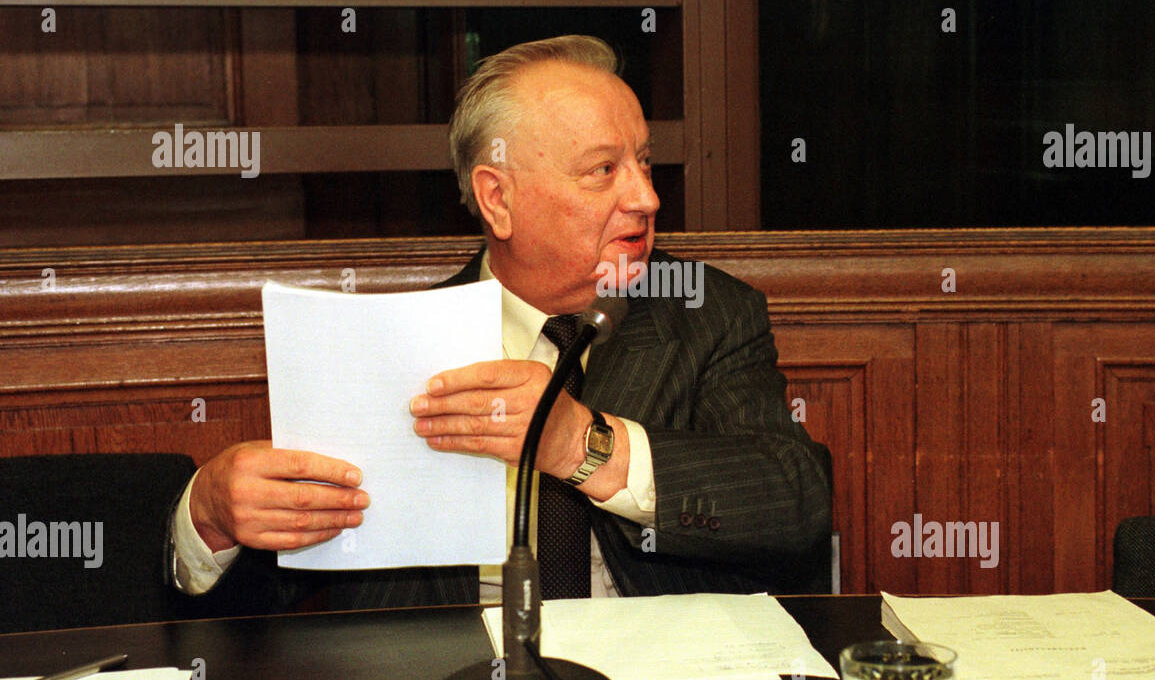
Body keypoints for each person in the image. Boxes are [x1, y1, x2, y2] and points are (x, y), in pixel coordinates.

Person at [168, 35, 831, 612]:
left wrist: (584, 444)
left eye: (645, 162)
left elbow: (793, 502)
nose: (647, 197)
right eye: (604, 170)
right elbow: (254, 604)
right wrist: (210, 515)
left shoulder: (707, 314)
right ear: (498, 198)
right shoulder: (390, 348)